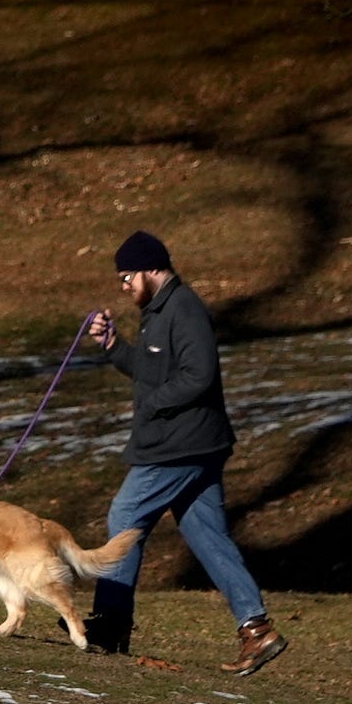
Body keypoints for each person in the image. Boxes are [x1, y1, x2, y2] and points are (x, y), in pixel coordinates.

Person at [83, 231, 286, 676]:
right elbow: (148, 370)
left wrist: (153, 406)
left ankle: (110, 624)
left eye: (127, 276)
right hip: (193, 445)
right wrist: (113, 345)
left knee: (125, 514)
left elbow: (200, 375)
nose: (124, 286)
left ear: (152, 268)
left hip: (181, 445)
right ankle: (257, 629)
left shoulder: (184, 309)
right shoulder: (157, 312)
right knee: (208, 537)